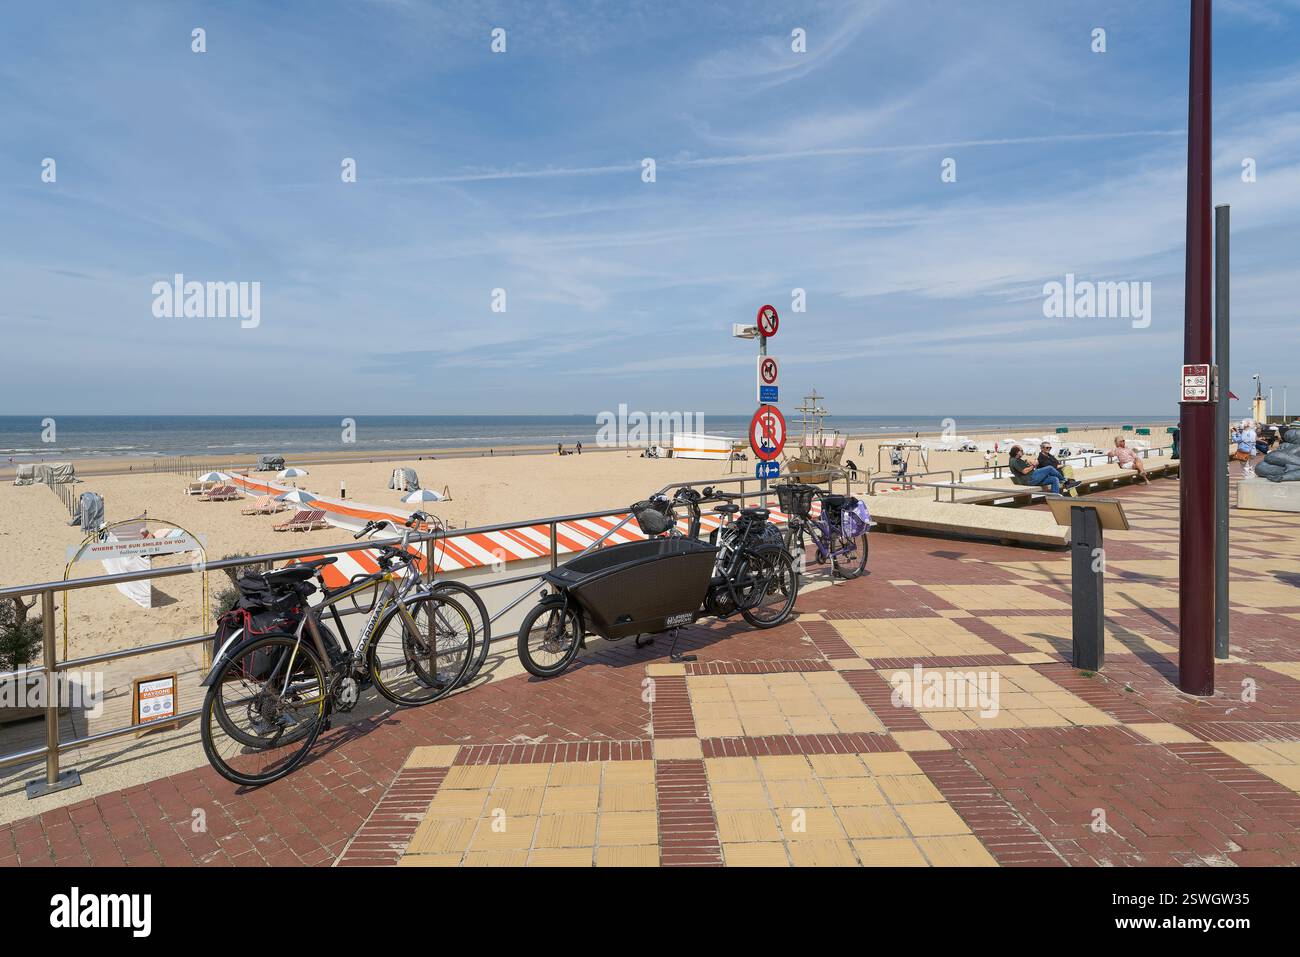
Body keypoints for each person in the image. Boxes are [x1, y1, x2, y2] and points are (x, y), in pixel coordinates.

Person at [1008, 445, 1075, 494]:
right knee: (1049, 468)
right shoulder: (1013, 461)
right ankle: (1066, 482)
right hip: (1029, 480)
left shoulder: (1017, 459)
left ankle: (1055, 498)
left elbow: (1024, 467)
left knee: (1054, 479)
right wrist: (1034, 465)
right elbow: (1024, 471)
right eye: (1021, 451)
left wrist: (1027, 462)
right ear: (1017, 452)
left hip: (1032, 477)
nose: (1023, 452)